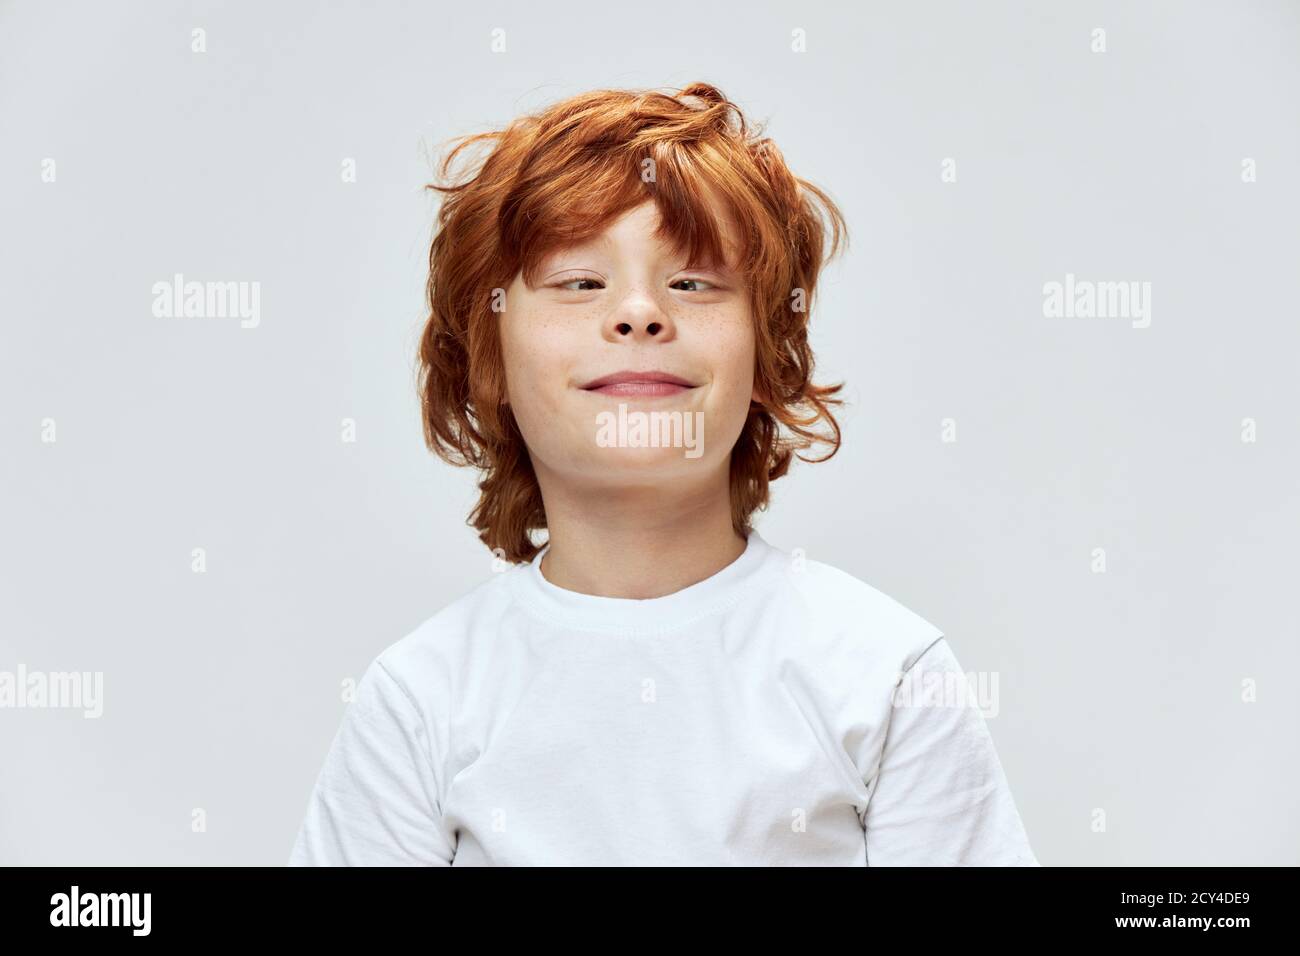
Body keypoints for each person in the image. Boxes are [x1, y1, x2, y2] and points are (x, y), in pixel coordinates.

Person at [288, 82, 1039, 866]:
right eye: (580, 282)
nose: (640, 314)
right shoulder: (419, 701)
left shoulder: (889, 676)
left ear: (765, 359)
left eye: (693, 282)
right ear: (491, 361)